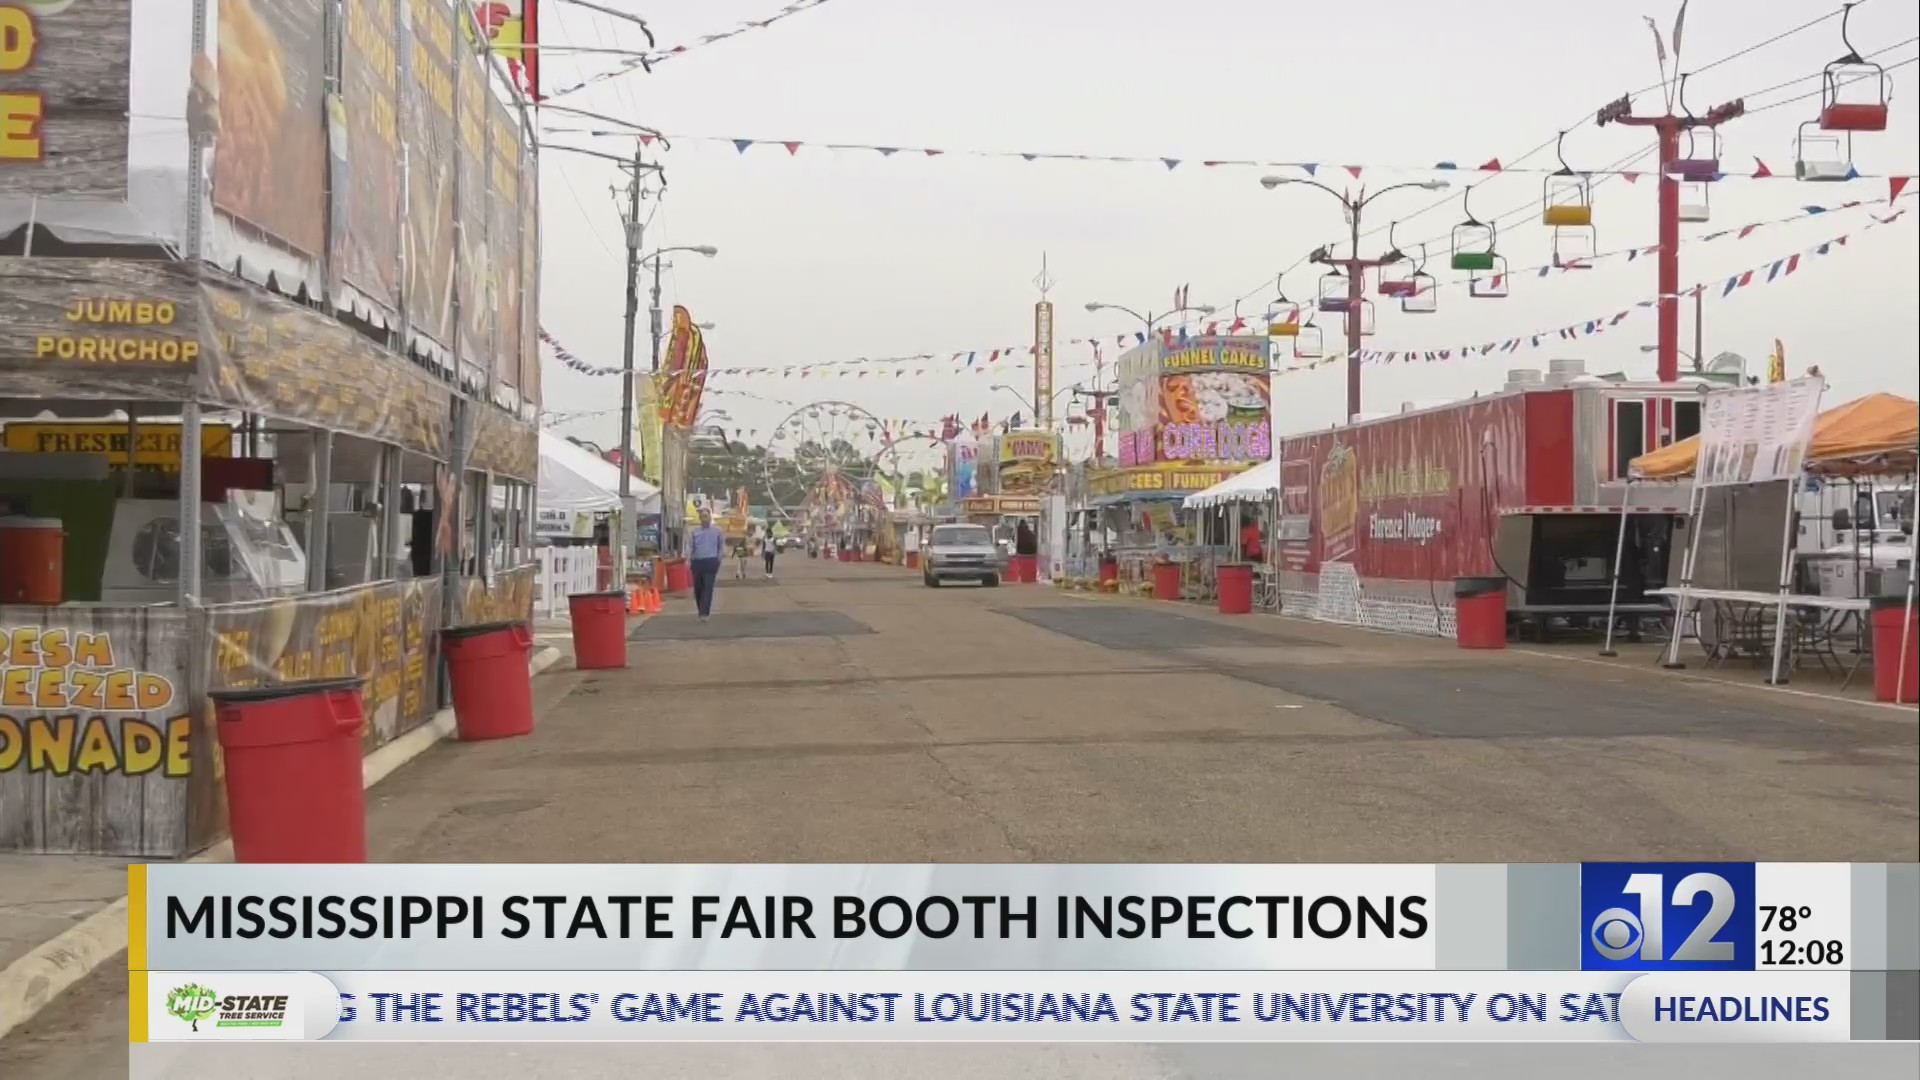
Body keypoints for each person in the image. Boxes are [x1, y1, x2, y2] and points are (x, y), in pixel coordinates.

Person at [688, 507, 725, 620]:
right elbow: (690, 547)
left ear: (710, 517)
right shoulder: (695, 531)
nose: (705, 519)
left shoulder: (717, 531)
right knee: (698, 588)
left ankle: (705, 613)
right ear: (700, 518)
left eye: (706, 516)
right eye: (702, 517)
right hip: (697, 562)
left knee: (708, 587)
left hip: (711, 561)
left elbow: (721, 546)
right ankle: (701, 609)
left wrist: (718, 559)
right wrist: (689, 560)